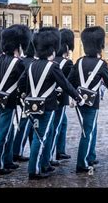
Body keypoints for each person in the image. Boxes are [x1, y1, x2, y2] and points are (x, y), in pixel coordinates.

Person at [18, 27, 82, 180]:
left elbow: (21, 83)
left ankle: (45, 163)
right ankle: (34, 170)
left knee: (45, 135)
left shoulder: (31, 64)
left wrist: (26, 95)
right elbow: (65, 84)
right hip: (47, 107)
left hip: (32, 105)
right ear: (51, 50)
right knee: (40, 137)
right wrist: (78, 96)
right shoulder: (52, 66)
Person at [68, 26, 108, 173]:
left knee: (91, 129)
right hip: (92, 102)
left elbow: (70, 81)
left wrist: (73, 97)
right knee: (88, 132)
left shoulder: (78, 62)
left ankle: (91, 155)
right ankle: (82, 163)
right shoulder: (101, 64)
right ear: (99, 46)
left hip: (79, 101)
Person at [0, 25, 31, 176]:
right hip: (9, 102)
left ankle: (8, 160)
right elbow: (24, 82)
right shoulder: (18, 63)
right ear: (17, 46)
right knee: (3, 133)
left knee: (8, 130)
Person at [49, 28, 76, 164]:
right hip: (60, 98)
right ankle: (51, 155)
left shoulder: (51, 61)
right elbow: (69, 83)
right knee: (57, 124)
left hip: (50, 97)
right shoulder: (67, 63)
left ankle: (60, 150)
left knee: (62, 123)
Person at [12, 38, 36, 163]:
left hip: (23, 96)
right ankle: (16, 151)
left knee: (30, 124)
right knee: (25, 123)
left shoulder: (22, 61)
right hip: (31, 97)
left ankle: (32, 149)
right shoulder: (33, 62)